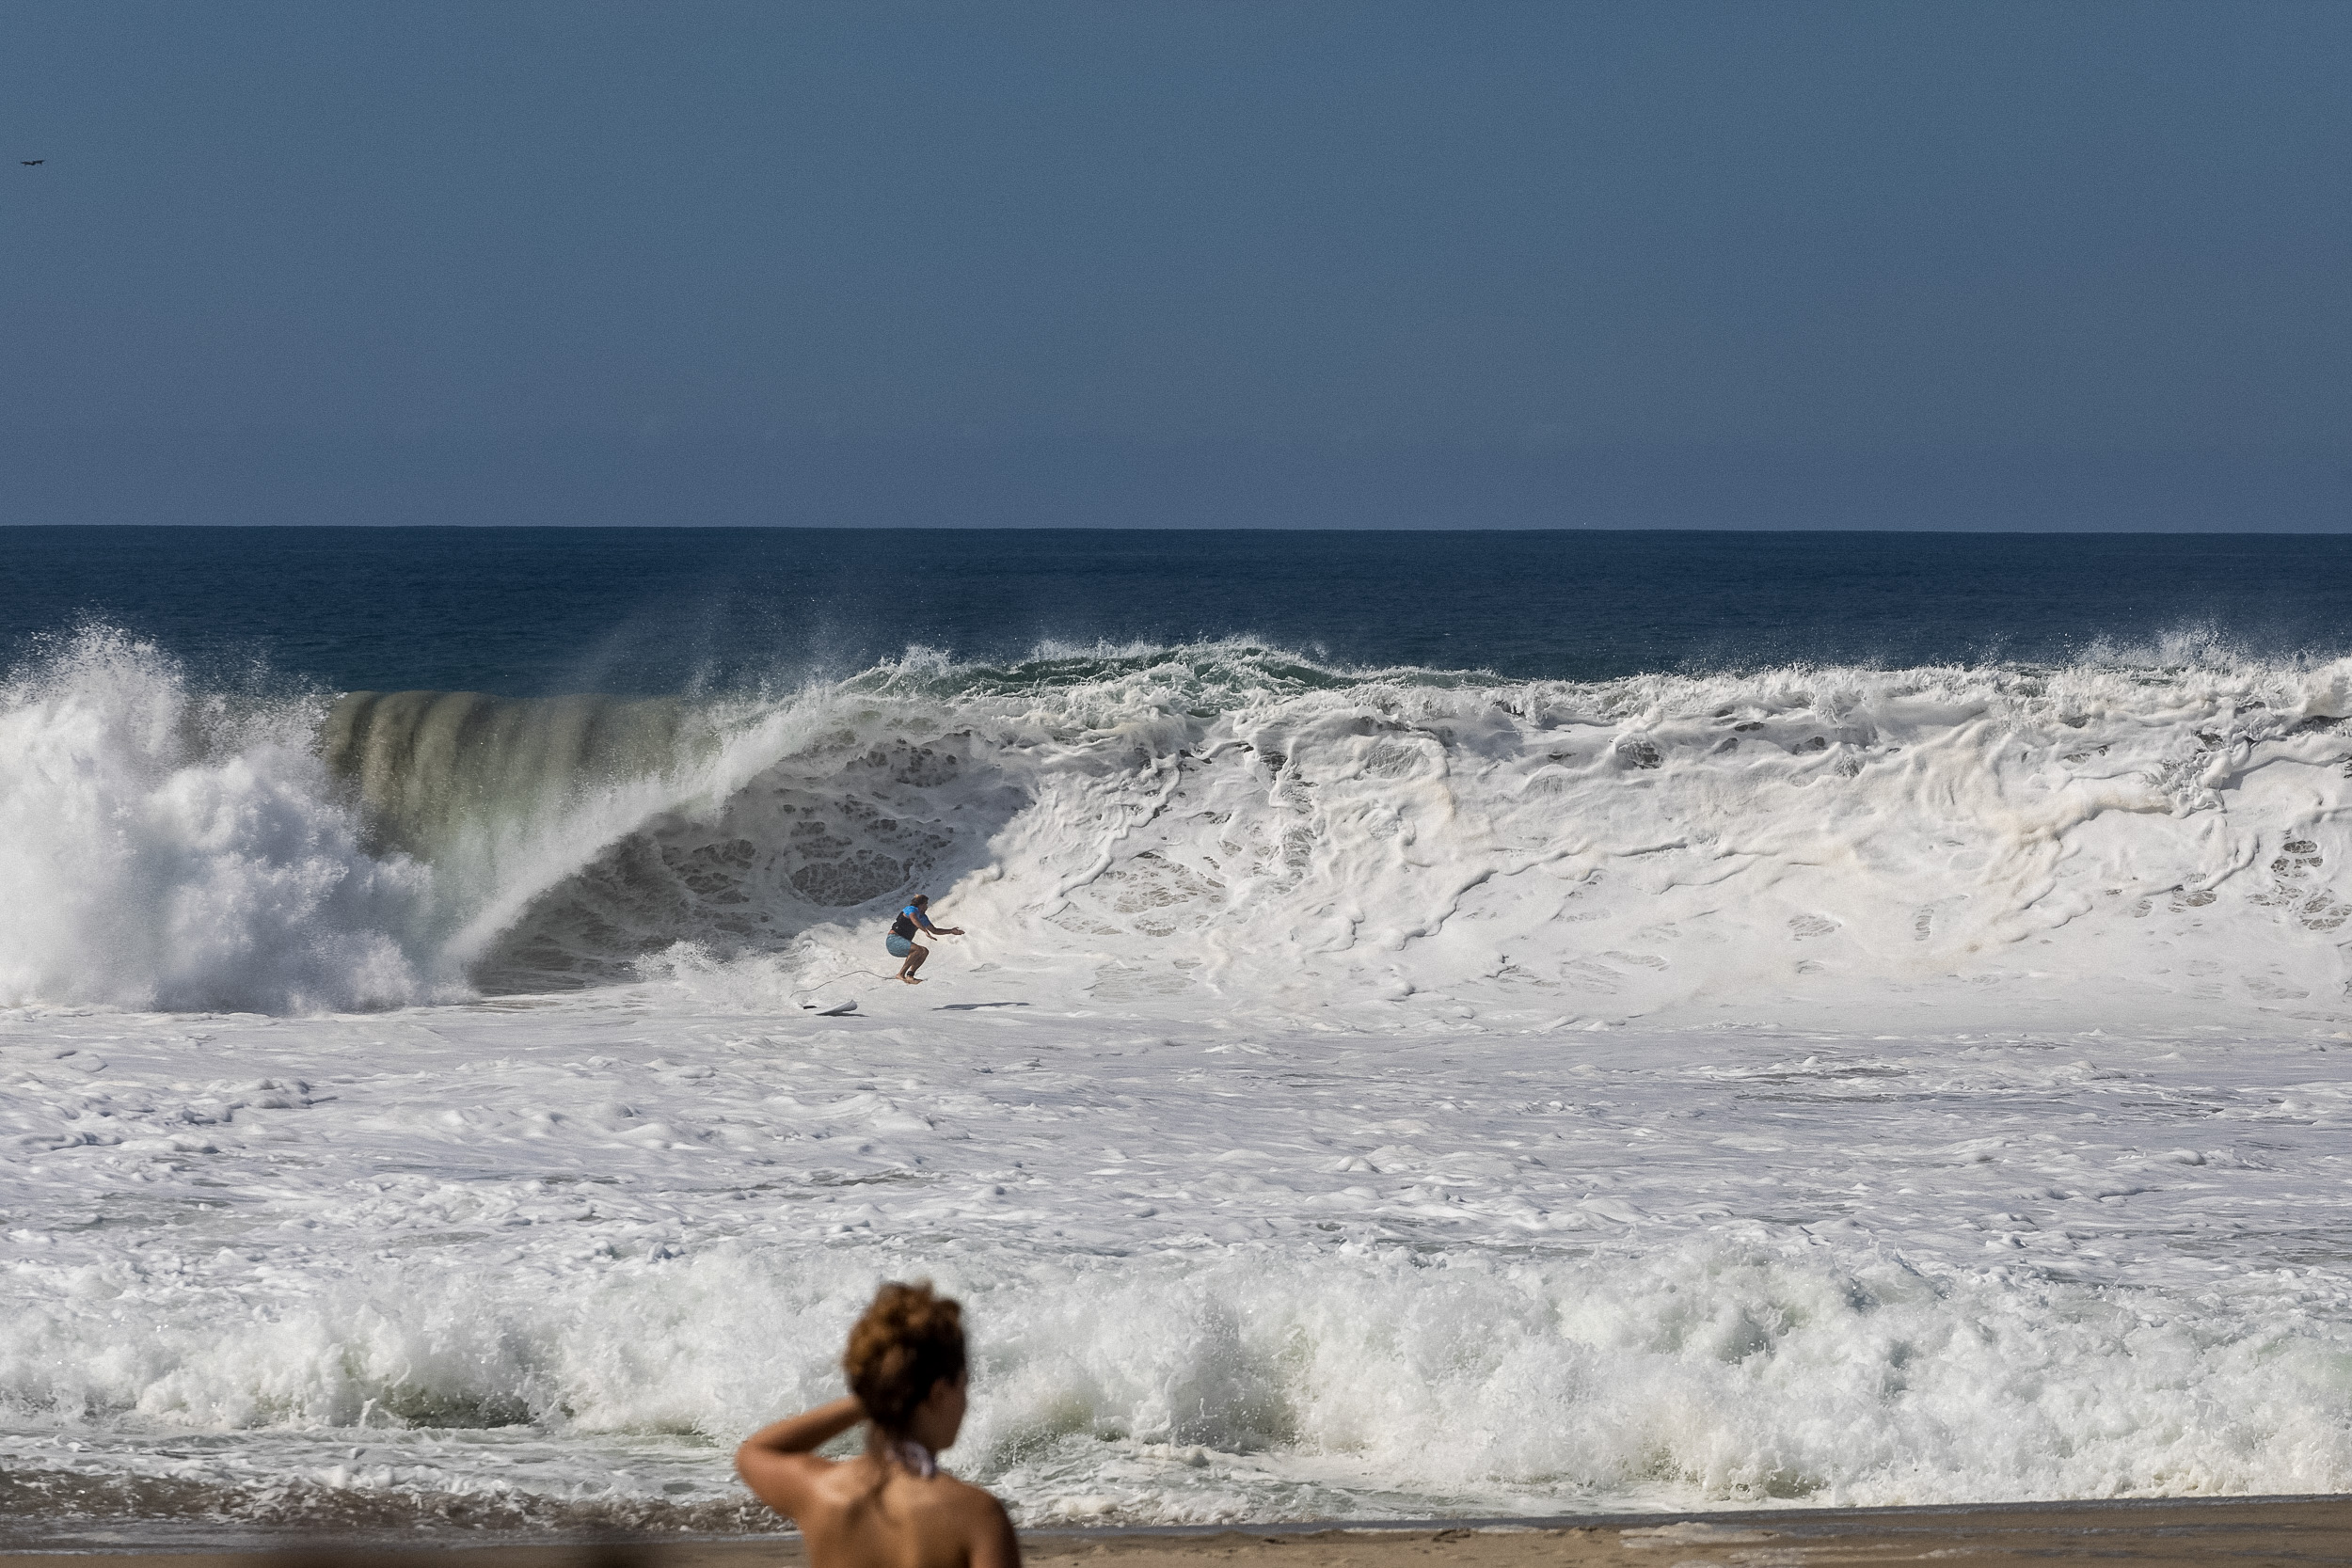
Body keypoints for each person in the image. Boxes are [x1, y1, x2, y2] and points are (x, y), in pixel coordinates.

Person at [737, 1281, 1020, 1568]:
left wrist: (875, 1395)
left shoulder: (821, 1492)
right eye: (963, 1385)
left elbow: (755, 1451)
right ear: (939, 1394)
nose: (965, 1400)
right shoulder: (976, 1516)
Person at [886, 895, 963, 985]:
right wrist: (924, 930)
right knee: (918, 949)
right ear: (919, 905)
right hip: (893, 941)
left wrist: (951, 931)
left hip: (904, 944)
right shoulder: (911, 909)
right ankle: (900, 974)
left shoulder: (923, 917)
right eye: (925, 904)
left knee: (924, 951)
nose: (926, 907)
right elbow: (913, 919)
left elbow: (935, 930)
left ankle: (910, 976)